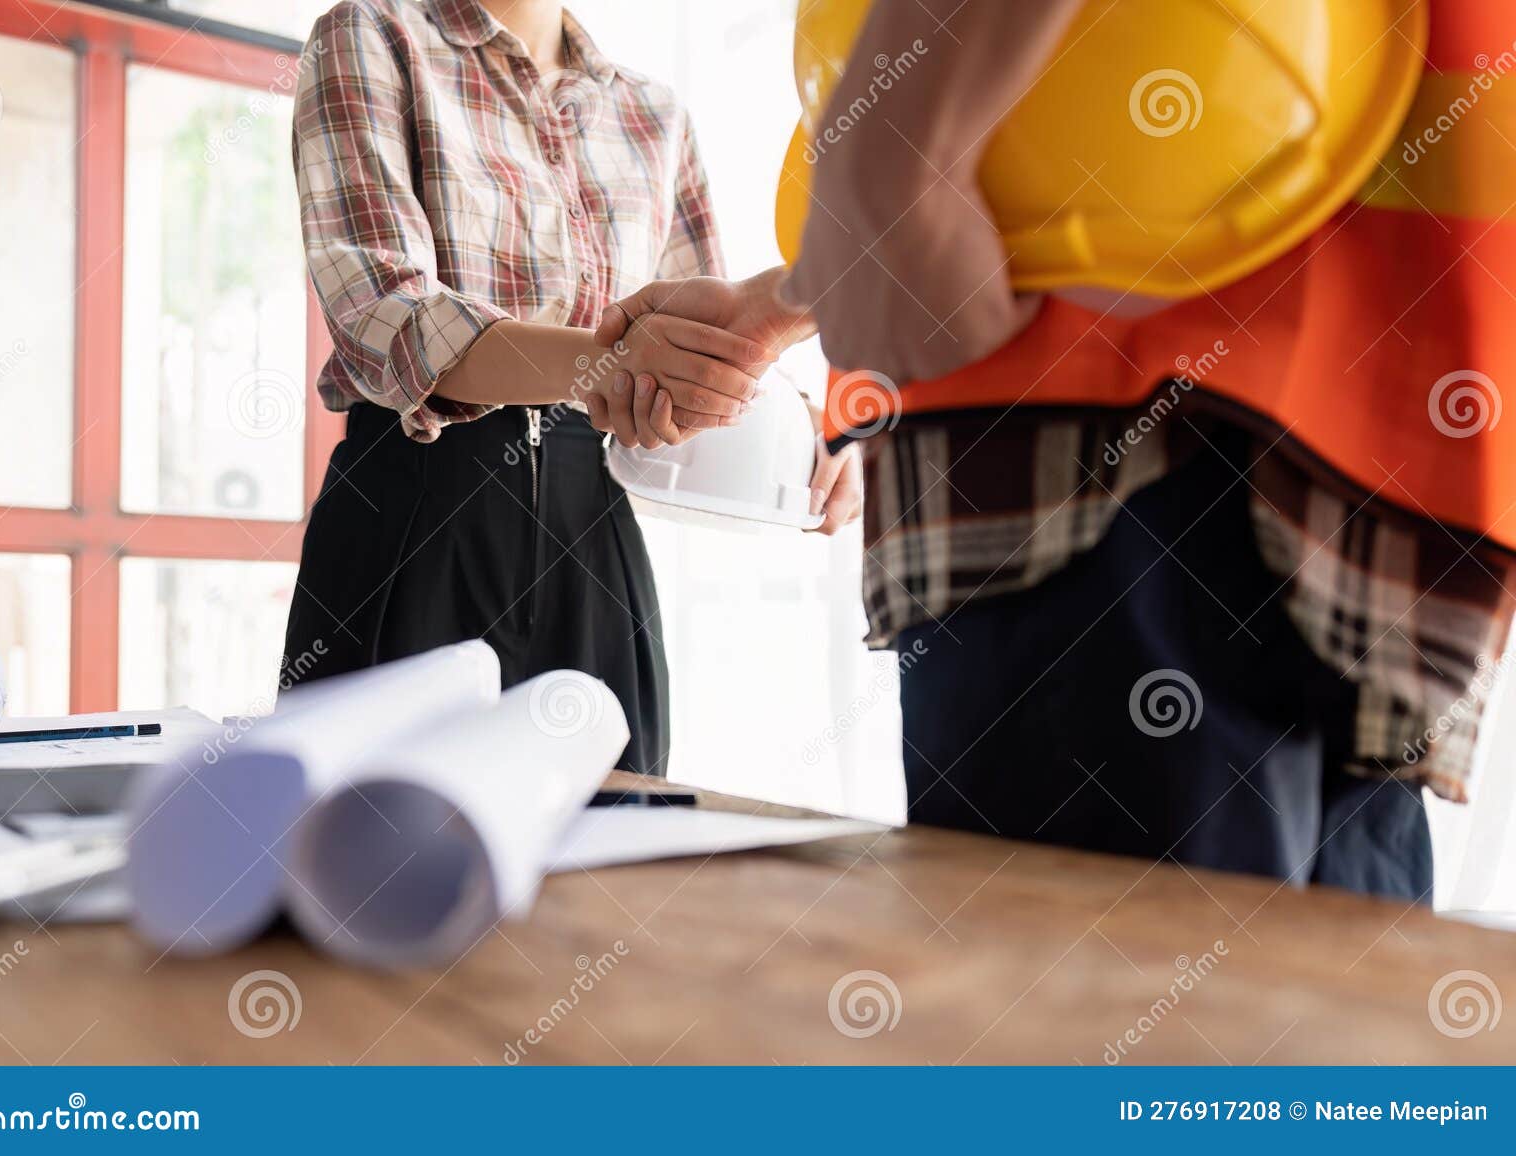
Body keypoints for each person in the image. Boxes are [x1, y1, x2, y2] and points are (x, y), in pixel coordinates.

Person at [612, 0, 1516, 901]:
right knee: (1286, 1021)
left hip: (1119, 446)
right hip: (1370, 451)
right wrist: (805, 286)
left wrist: (893, 166)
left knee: (1104, 1012)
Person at [281, 0, 860, 777]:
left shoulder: (654, 113)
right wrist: (613, 365)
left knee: (616, 860)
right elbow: (381, 315)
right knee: (373, 864)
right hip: (417, 519)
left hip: (598, 530)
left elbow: (706, 342)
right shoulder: (372, 34)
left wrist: (799, 428)